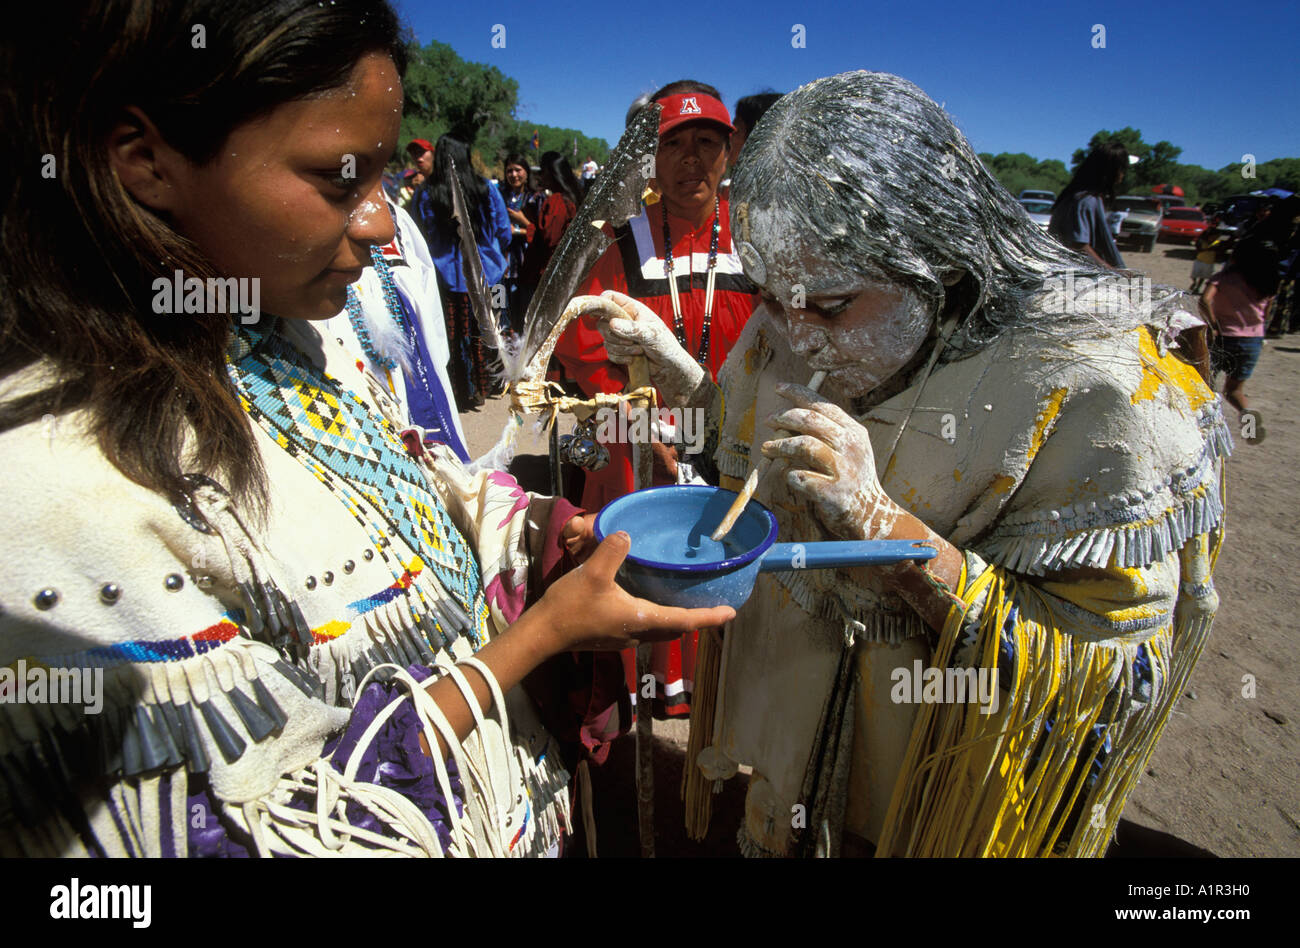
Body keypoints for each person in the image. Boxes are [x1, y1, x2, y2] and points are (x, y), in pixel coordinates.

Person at [0, 0, 733, 858]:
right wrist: (541, 636)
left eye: (384, 179)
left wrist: (541, 531)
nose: (386, 223)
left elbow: (407, 483)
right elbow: (259, 828)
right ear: (147, 163)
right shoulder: (51, 496)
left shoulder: (288, 334)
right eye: (339, 181)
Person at [592, 71, 1227, 856]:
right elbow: (739, 452)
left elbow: (1106, 678)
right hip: (797, 759)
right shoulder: (793, 305)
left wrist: (890, 535)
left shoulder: (1097, 388)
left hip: (943, 795)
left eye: (832, 307)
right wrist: (677, 372)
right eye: (765, 296)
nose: (797, 337)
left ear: (942, 262)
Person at [555, 80, 760, 719]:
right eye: (675, 144)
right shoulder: (623, 243)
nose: (691, 160)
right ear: (653, 157)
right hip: (643, 441)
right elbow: (579, 341)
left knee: (732, 552)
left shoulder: (758, 239)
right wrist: (642, 421)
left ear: (730, 153)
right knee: (646, 550)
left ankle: (725, 698)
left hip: (741, 432)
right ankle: (641, 690)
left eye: (708, 143)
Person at [413, 135, 513, 410]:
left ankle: (463, 390)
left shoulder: (427, 192)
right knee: (492, 328)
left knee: (455, 335)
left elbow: (420, 233)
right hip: (487, 272)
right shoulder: (485, 188)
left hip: (448, 276)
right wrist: (495, 254)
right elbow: (503, 228)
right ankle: (492, 384)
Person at [1201, 236, 1280, 413]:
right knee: (1234, 392)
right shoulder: (1267, 283)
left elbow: (1205, 300)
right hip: (1252, 341)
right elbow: (1266, 315)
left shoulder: (1223, 278)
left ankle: (1204, 426)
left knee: (1204, 385)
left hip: (1223, 338)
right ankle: (1250, 426)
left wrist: (1213, 325)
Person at [1049, 141, 1128, 269]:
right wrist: (1113, 271)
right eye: (1122, 168)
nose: (1123, 174)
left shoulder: (1081, 197)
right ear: (1113, 171)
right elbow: (1078, 246)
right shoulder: (1085, 200)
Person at [518, 151, 583, 307]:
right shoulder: (574, 197)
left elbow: (549, 238)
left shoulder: (557, 201)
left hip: (551, 273)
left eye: (543, 171)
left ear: (551, 173)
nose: (540, 176)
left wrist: (524, 222)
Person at [499, 153, 543, 335]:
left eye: (518, 170)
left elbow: (543, 233)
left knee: (525, 315)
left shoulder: (536, 198)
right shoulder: (499, 196)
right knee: (500, 310)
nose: (514, 175)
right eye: (509, 171)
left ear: (526, 172)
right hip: (501, 268)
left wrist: (520, 228)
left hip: (527, 268)